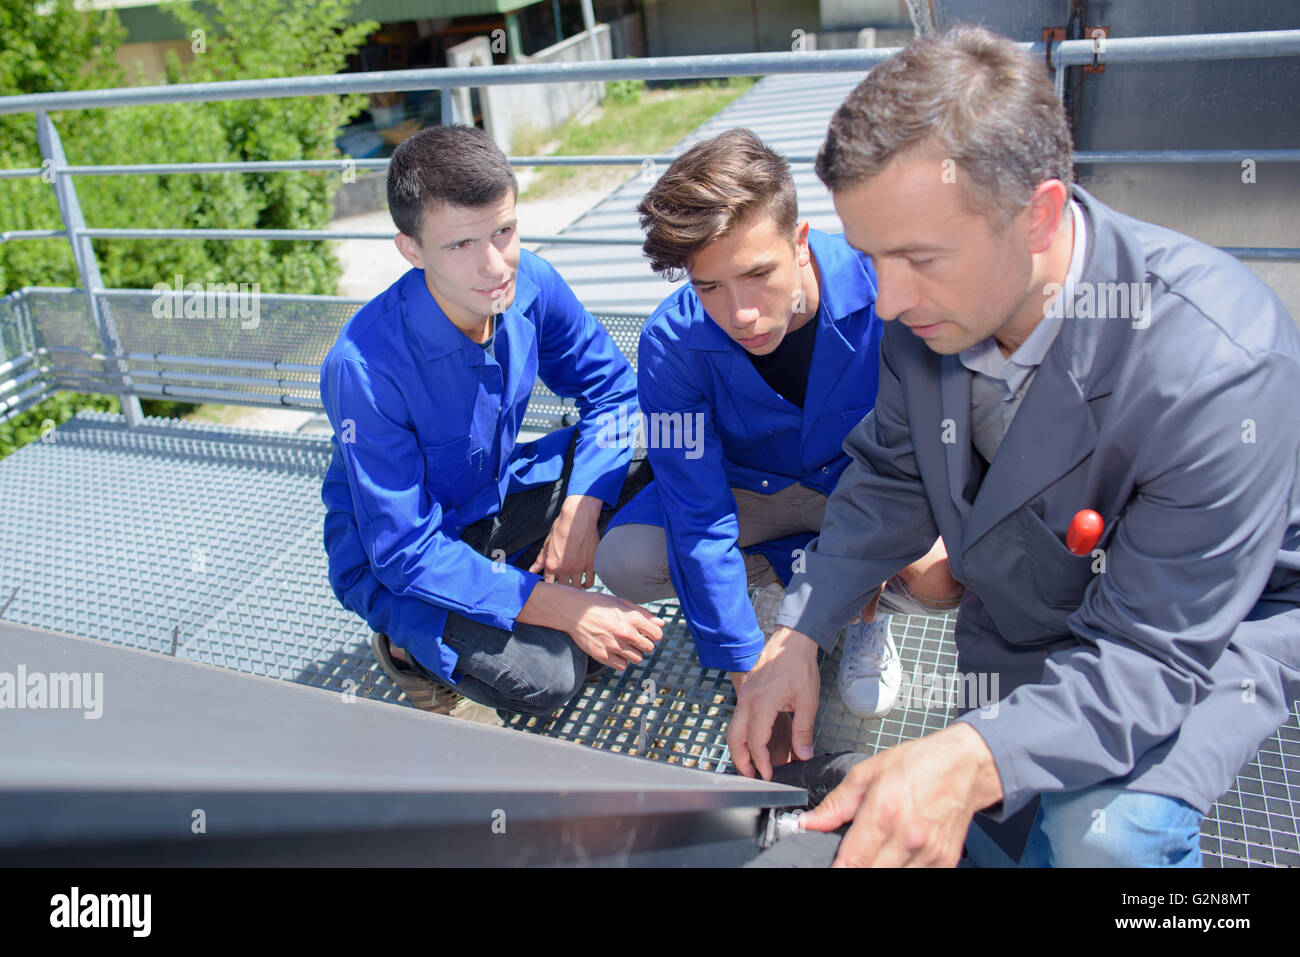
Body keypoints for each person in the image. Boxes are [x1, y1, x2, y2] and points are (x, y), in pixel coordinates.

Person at [729, 25, 1300, 867]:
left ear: (1037, 216)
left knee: (1101, 838)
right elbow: (892, 476)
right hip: (1029, 606)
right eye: (871, 259)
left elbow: (1148, 652)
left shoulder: (1223, 368)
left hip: (1200, 637)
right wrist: (802, 629)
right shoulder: (932, 305)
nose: (884, 302)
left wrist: (971, 755)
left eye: (918, 256)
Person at [594, 128, 963, 728]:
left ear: (799, 241)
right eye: (708, 286)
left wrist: (857, 555)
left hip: (860, 494)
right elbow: (695, 508)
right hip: (745, 493)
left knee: (945, 577)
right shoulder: (668, 342)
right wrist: (749, 671)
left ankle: (863, 612)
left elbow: (925, 460)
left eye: (758, 273)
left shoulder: (889, 294)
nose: (739, 314)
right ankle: (784, 598)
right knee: (627, 561)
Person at [319, 124, 662, 717]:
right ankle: (406, 647)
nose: (495, 264)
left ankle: (523, 579)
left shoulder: (529, 281)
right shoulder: (363, 369)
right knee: (549, 677)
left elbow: (612, 392)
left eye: (504, 230)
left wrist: (581, 510)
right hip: (404, 554)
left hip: (498, 497)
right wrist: (564, 607)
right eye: (461, 245)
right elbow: (404, 550)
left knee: (661, 450)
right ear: (411, 249)